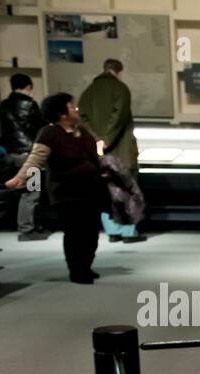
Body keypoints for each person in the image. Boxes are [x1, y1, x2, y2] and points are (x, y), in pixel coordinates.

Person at [5, 92, 108, 284]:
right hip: (66, 192)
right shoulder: (49, 133)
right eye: (72, 106)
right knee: (75, 233)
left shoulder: (83, 132)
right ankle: (77, 270)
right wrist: (20, 178)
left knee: (91, 232)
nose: (76, 109)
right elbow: (36, 158)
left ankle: (86, 265)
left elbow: (96, 155)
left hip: (90, 190)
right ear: (62, 113)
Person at [79, 58, 143, 243]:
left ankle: (112, 231)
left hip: (99, 154)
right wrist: (106, 139)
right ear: (119, 71)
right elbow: (119, 116)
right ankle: (128, 232)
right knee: (128, 190)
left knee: (107, 191)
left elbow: (82, 118)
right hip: (121, 150)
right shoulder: (121, 89)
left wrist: (96, 139)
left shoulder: (88, 92)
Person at [0, 73, 48, 241]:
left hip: (11, 155)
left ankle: (25, 225)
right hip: (29, 156)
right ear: (28, 87)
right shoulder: (30, 105)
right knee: (32, 193)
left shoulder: (3, 105)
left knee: (21, 193)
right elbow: (40, 129)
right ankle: (27, 229)